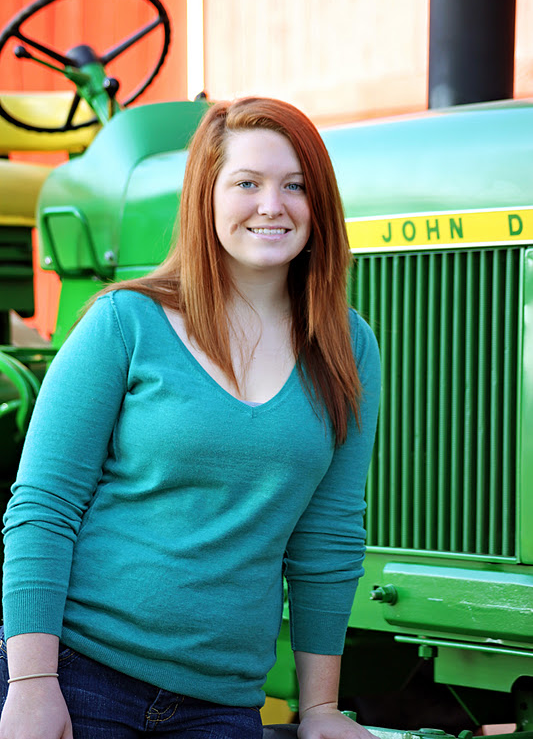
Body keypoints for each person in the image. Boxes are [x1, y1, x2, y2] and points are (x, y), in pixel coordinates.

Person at [0, 97, 380, 739]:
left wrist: (318, 710)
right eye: (247, 184)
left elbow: (328, 535)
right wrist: (31, 686)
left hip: (221, 703)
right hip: (81, 676)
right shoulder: (126, 322)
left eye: (295, 185)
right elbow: (43, 506)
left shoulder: (348, 346)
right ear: (207, 197)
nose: (272, 205)